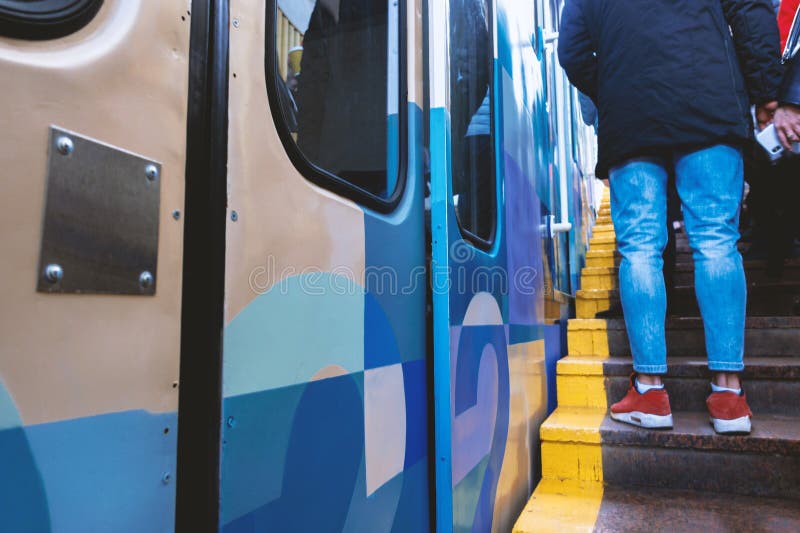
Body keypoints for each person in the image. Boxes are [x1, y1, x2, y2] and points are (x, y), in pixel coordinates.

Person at [559, 0, 784, 435]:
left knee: (640, 247)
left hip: (631, 114)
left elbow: (571, 50)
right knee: (717, 241)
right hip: (709, 101)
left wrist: (613, 84)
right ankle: (729, 396)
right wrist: (766, 92)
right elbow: (750, 12)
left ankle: (650, 391)